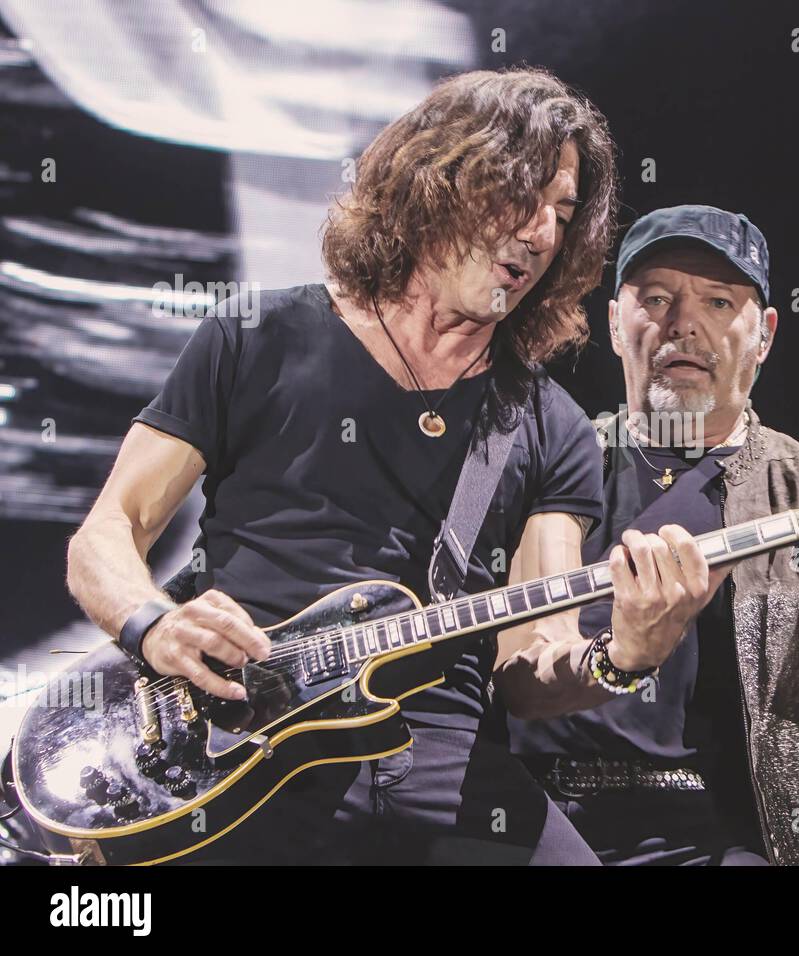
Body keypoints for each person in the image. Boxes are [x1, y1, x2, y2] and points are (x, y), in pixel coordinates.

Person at [64, 70, 716, 864]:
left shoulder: (550, 425)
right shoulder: (258, 335)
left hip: (438, 761)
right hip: (238, 731)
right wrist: (155, 622)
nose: (543, 233)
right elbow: (108, 532)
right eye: (523, 196)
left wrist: (625, 655)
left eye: (563, 213)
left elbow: (528, 663)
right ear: (438, 180)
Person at [497, 205, 799, 865]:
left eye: (719, 301)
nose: (685, 324)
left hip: (718, 834)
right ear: (616, 323)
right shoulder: (548, 463)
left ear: (765, 336)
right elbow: (502, 672)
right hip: (535, 820)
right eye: (657, 298)